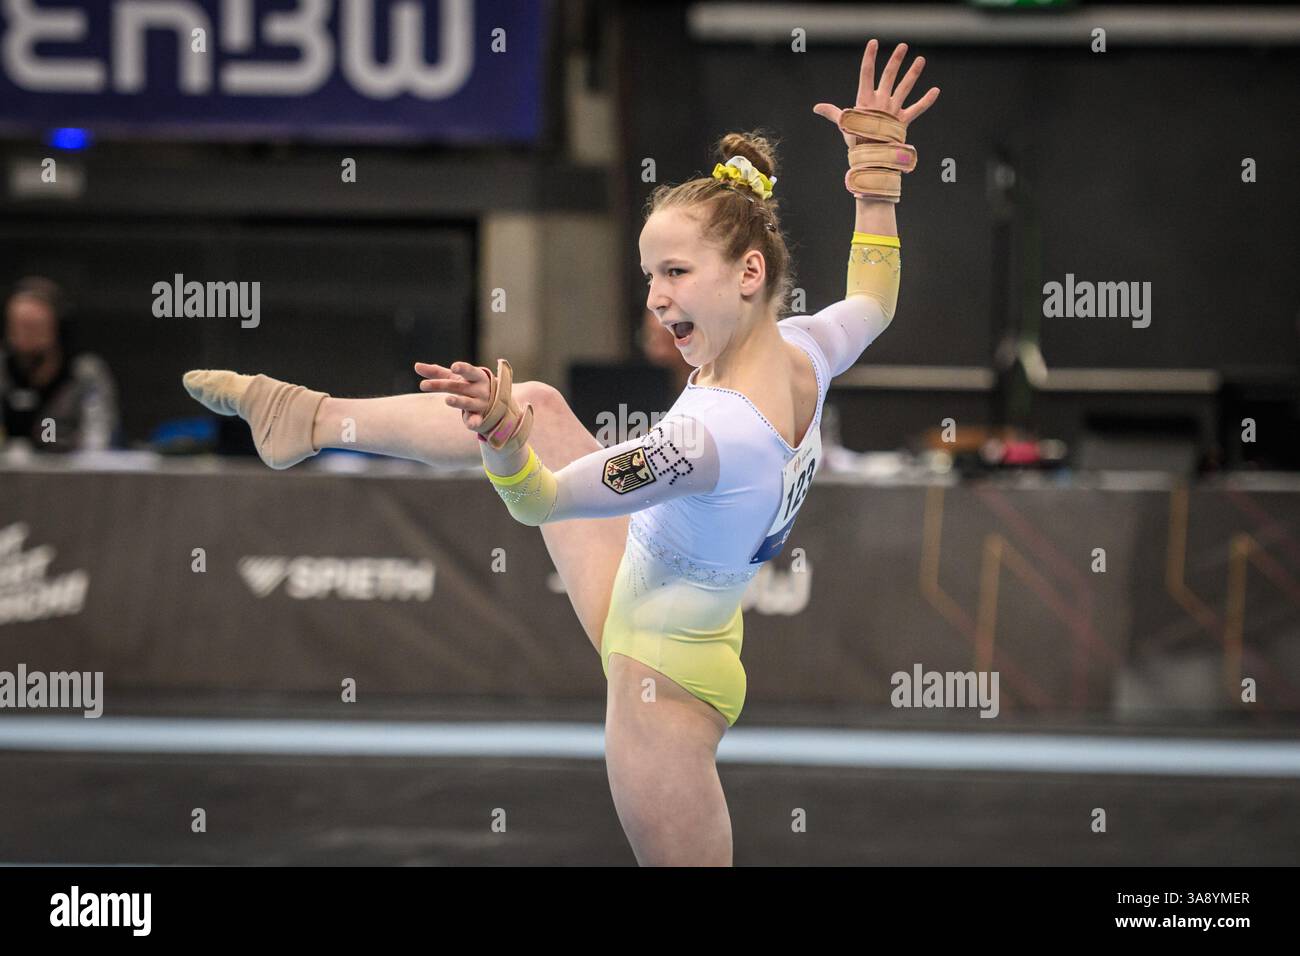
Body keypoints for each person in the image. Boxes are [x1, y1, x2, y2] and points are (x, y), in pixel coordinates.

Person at [181, 38, 938, 866]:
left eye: (676, 273)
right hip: (677, 610)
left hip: (658, 683)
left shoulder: (703, 437)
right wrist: (875, 182)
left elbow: (538, 500)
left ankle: (329, 419)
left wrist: (502, 443)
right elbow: (874, 299)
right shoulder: (809, 351)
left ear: (748, 272)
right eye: (649, 277)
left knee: (525, 418)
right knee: (538, 404)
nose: (657, 301)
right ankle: (307, 416)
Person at [1, 277, 119, 452]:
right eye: (17, 327)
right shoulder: (3, 370)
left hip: (69, 464)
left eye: (34, 327)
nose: (25, 337)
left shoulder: (85, 373)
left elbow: (98, 440)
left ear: (58, 327)